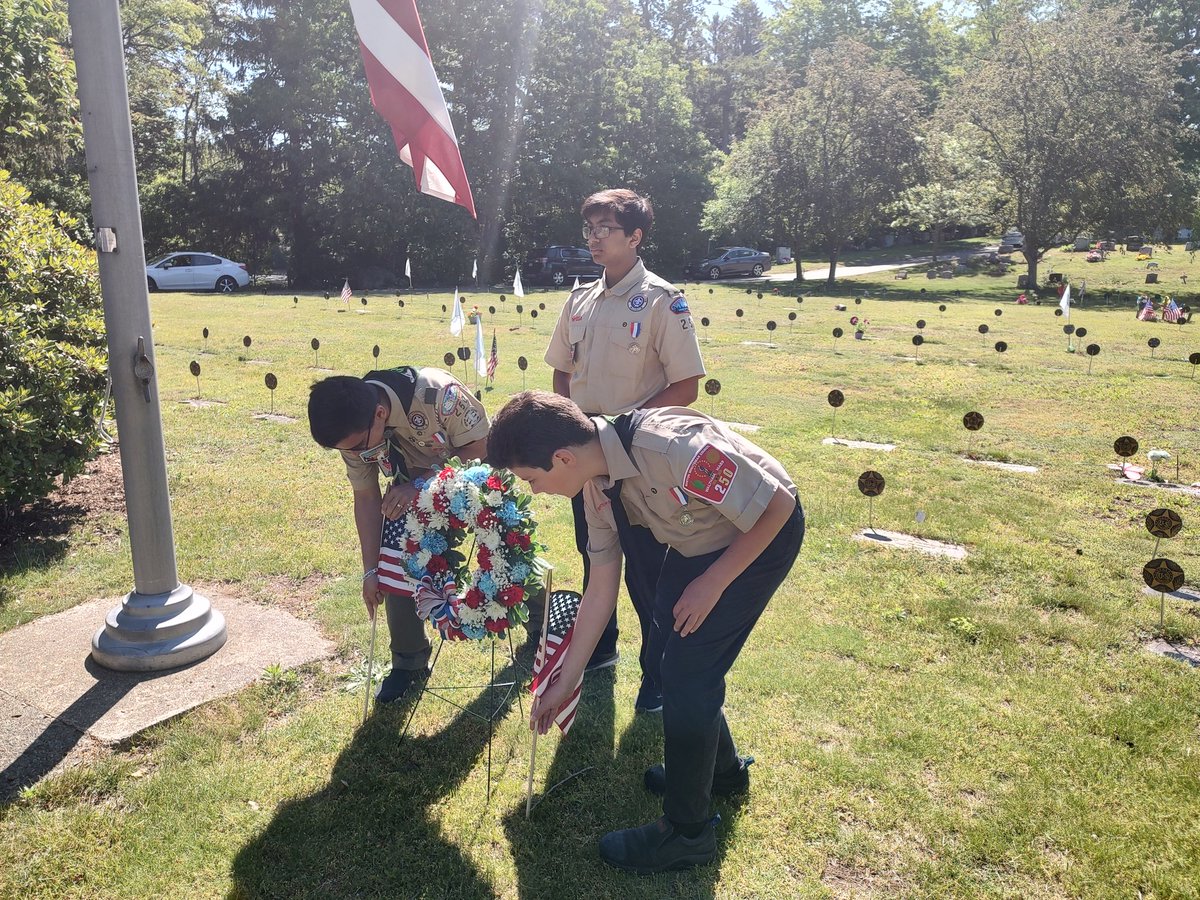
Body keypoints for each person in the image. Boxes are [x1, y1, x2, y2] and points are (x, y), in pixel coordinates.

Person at [488, 391, 804, 873]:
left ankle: (687, 834)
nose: (535, 490)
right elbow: (601, 586)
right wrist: (568, 677)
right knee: (661, 660)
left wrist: (713, 582)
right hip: (696, 541)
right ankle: (721, 773)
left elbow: (776, 505)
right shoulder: (595, 484)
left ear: (562, 457)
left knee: (686, 673)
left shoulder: (671, 449)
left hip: (759, 535)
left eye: (533, 479)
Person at [544, 188, 706, 712]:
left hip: (640, 465)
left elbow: (686, 385)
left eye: (604, 229)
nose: (592, 238)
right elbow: (561, 371)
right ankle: (601, 649)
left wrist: (621, 432)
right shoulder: (581, 299)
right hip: (584, 462)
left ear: (634, 237)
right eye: (588, 228)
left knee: (650, 575)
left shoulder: (662, 300)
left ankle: (657, 678)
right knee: (594, 558)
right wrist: (569, 432)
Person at [307, 366, 492, 703]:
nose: (354, 453)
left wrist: (421, 484)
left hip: (472, 486)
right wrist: (371, 571)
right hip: (411, 494)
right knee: (394, 543)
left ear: (379, 414)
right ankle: (408, 662)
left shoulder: (437, 395)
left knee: (503, 547)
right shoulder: (354, 428)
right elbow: (366, 497)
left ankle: (539, 623)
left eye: (357, 446)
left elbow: (481, 451)